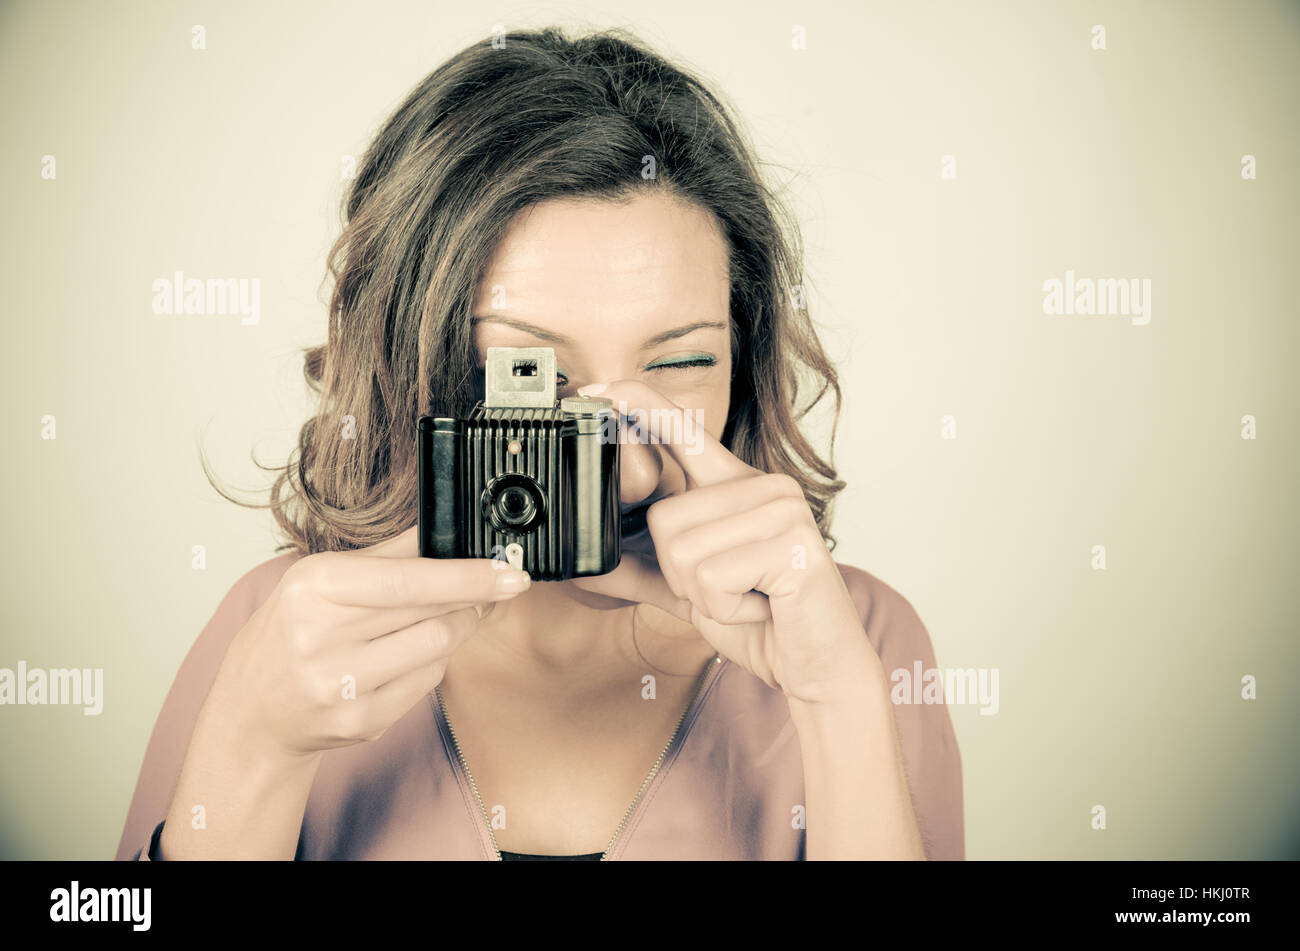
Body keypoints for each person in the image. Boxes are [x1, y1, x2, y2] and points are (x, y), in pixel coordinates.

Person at [115, 26, 964, 861]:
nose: (626, 466)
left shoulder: (861, 638)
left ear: (742, 360)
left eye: (680, 363)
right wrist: (249, 752)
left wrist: (837, 704)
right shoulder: (282, 632)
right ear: (417, 362)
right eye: (535, 376)